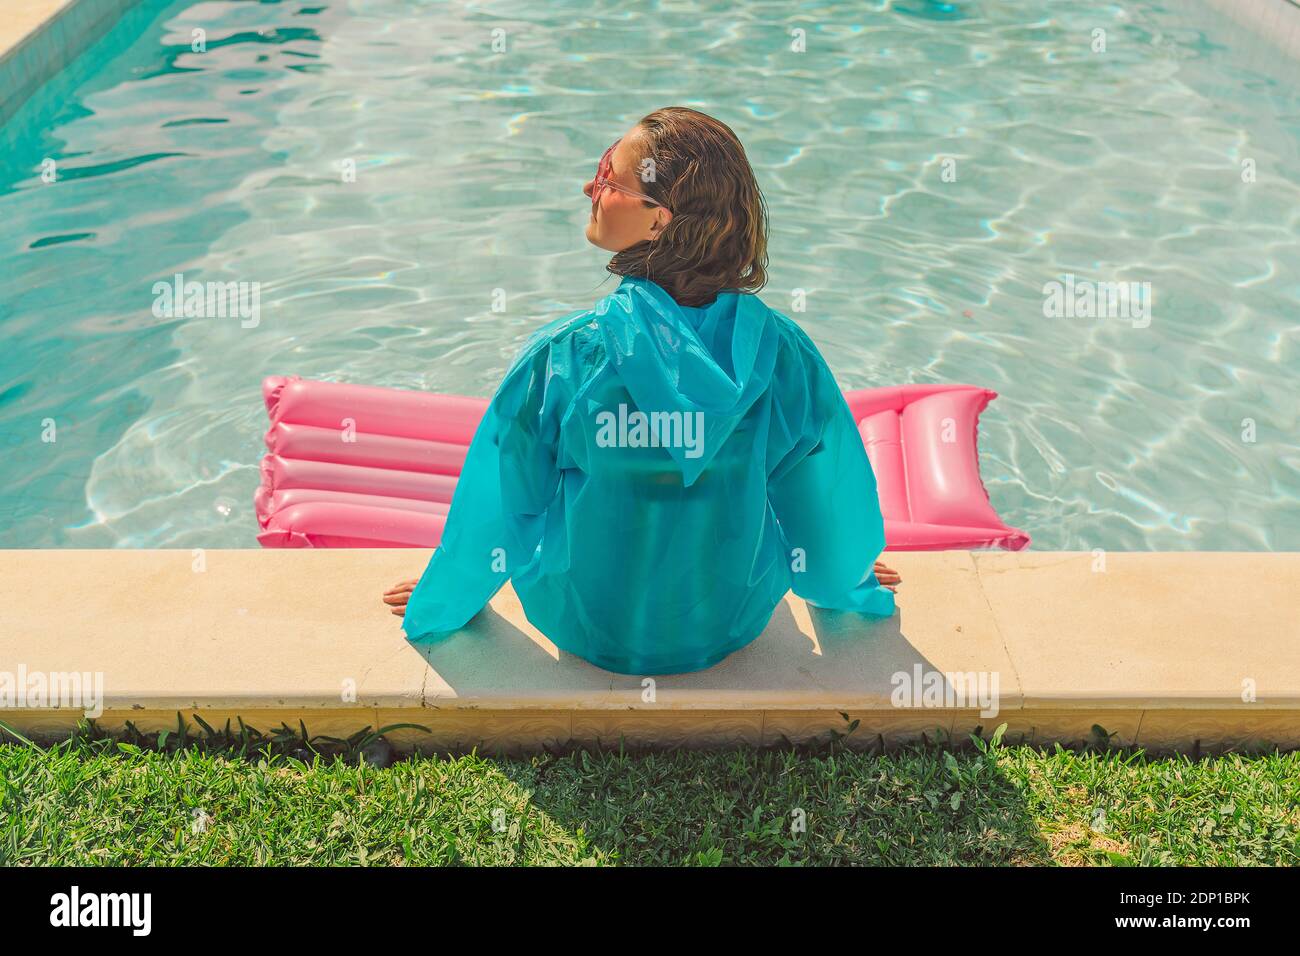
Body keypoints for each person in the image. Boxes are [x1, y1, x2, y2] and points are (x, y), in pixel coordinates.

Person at [383, 106, 900, 675]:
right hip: (730, 622)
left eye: (608, 177)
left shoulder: (564, 358)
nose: (590, 187)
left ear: (658, 222)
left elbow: (501, 511)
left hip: (585, 624)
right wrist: (848, 580)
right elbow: (824, 511)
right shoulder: (785, 357)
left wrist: (444, 597)